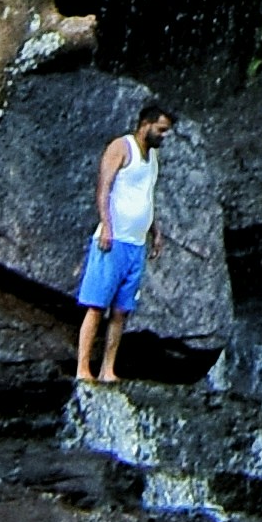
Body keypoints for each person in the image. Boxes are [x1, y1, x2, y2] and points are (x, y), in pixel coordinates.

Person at [72, 103, 171, 390]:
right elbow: (104, 186)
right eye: (161, 130)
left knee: (121, 311)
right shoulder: (121, 146)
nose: (164, 137)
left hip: (136, 244)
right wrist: (107, 227)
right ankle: (82, 367)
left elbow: (146, 197)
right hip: (112, 240)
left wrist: (155, 230)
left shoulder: (152, 159)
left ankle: (108, 369)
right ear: (145, 124)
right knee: (96, 305)